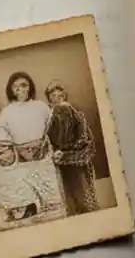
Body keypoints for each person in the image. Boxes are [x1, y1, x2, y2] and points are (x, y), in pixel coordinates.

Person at [44, 80, 100, 215]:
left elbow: (84, 137)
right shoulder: (50, 116)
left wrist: (66, 153)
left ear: (65, 97)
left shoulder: (73, 113)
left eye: (60, 96)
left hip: (77, 161)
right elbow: (48, 138)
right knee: (68, 199)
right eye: (53, 97)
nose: (57, 99)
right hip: (60, 163)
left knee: (83, 196)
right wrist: (53, 153)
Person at [0, 130, 50, 226]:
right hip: (8, 214)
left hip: (30, 210)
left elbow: (41, 188)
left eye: (3, 153)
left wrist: (43, 203)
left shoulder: (25, 170)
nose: (1, 158)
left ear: (13, 151)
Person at [0, 71, 52, 161]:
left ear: (30, 88)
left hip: (42, 156)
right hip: (18, 158)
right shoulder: (6, 112)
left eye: (24, 85)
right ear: (11, 90)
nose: (20, 89)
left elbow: (52, 129)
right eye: (15, 87)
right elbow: (2, 136)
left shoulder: (41, 106)